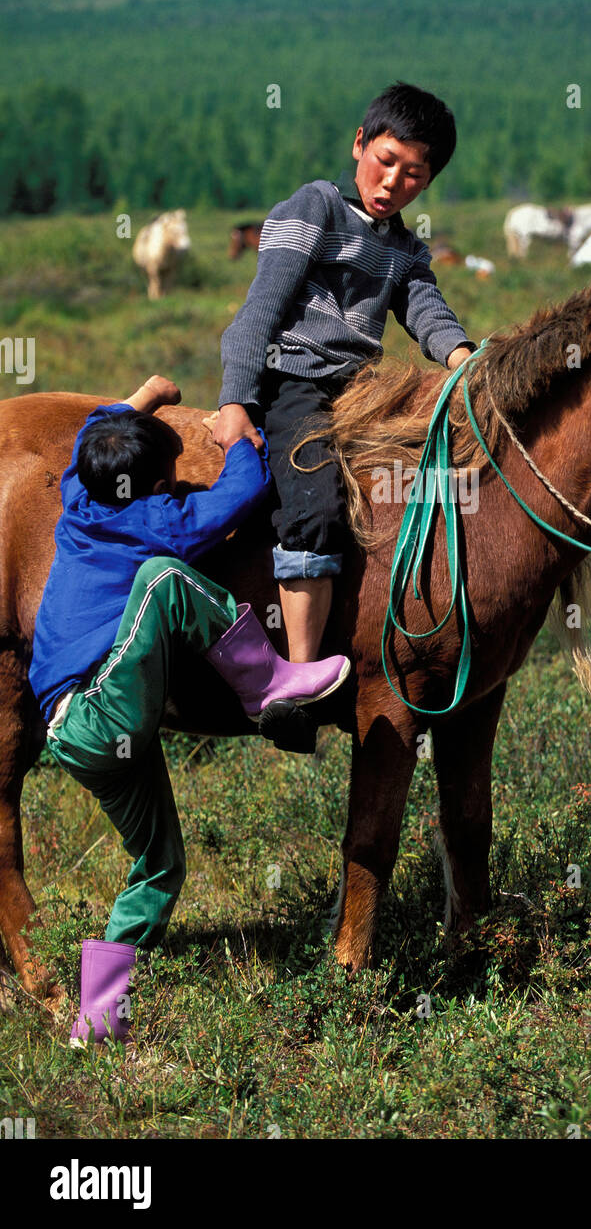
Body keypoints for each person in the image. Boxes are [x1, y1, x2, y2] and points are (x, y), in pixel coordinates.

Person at [29, 374, 349, 1045]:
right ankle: (268, 683)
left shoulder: (77, 494)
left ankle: (98, 1014)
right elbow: (240, 497)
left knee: (160, 866)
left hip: (77, 730)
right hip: (99, 709)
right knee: (162, 581)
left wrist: (143, 398)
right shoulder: (153, 521)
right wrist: (240, 441)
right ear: (150, 488)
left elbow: (94, 434)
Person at [212, 81, 476, 687]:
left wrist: (462, 355)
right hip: (296, 381)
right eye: (386, 162)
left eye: (413, 175)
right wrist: (234, 401)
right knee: (313, 498)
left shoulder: (405, 248)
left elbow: (426, 311)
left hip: (360, 387)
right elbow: (258, 314)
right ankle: (297, 676)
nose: (392, 184)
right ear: (360, 144)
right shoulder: (316, 208)